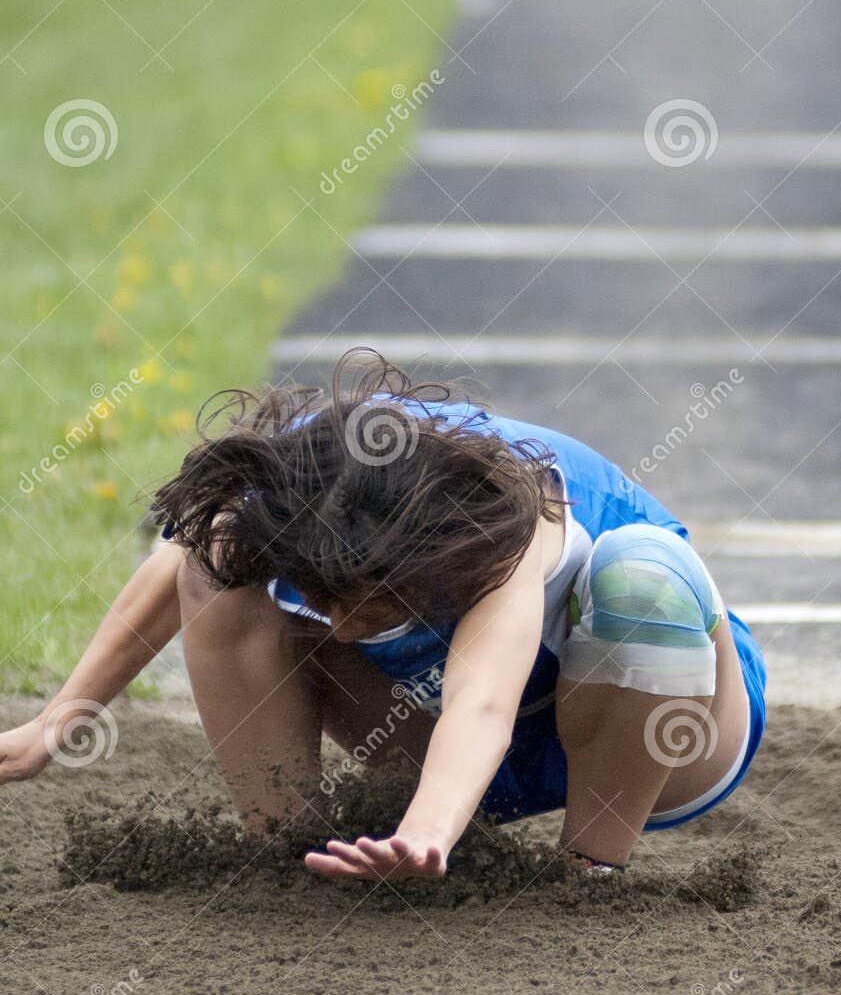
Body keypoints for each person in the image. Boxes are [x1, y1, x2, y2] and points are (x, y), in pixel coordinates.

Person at [0, 353, 765, 879]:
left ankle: (587, 871)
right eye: (325, 601)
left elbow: (484, 702)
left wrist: (427, 834)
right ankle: (291, 853)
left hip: (660, 730)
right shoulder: (306, 481)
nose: (338, 629)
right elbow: (178, 561)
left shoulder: (507, 516)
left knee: (646, 580)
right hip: (433, 734)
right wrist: (60, 717)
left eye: (370, 607)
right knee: (217, 555)